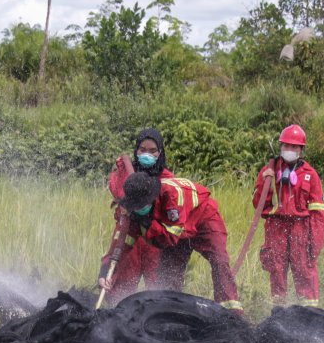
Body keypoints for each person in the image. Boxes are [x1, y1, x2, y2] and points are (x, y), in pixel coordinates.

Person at [118, 171, 243, 314]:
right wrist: (107, 273)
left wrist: (147, 223)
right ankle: (169, 311)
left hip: (203, 219)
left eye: (141, 205)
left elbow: (170, 238)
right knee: (169, 270)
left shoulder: (171, 196)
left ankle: (231, 313)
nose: (139, 209)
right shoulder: (137, 212)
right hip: (174, 229)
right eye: (136, 206)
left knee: (219, 260)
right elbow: (124, 244)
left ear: (151, 197)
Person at [253, 124, 324, 307]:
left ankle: (310, 314)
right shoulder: (268, 171)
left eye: (294, 147)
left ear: (301, 149)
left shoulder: (310, 175)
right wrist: (266, 183)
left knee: (305, 271)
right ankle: (279, 313)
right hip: (276, 227)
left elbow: (318, 215)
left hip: (301, 230)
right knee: (276, 271)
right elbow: (259, 207)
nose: (289, 150)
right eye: (286, 146)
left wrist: (315, 244)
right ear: (280, 147)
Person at [98, 128, 170, 306]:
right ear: (136, 150)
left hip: (155, 242)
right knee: (119, 296)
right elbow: (119, 237)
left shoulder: (167, 181)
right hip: (131, 242)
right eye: (142, 150)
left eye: (152, 151)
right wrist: (104, 272)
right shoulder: (125, 179)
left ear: (160, 152)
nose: (147, 154)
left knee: (158, 296)